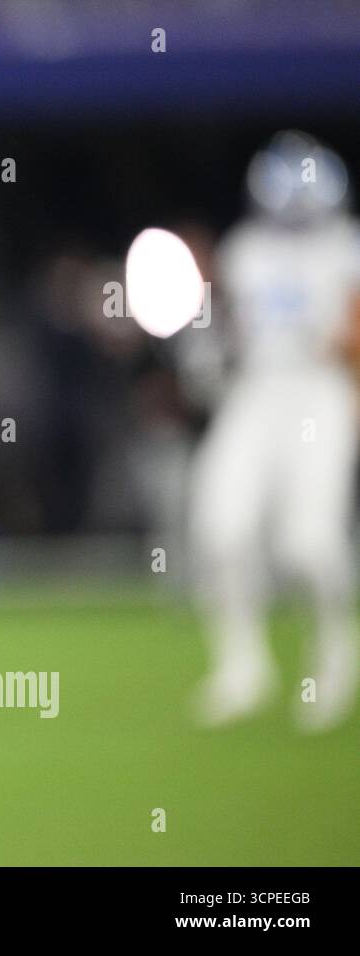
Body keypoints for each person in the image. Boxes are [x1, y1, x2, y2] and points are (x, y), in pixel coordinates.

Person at [189, 131, 360, 732]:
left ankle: (335, 658)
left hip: (320, 390)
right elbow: (225, 330)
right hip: (256, 391)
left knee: (308, 542)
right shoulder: (246, 249)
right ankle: (242, 670)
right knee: (220, 525)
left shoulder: (347, 248)